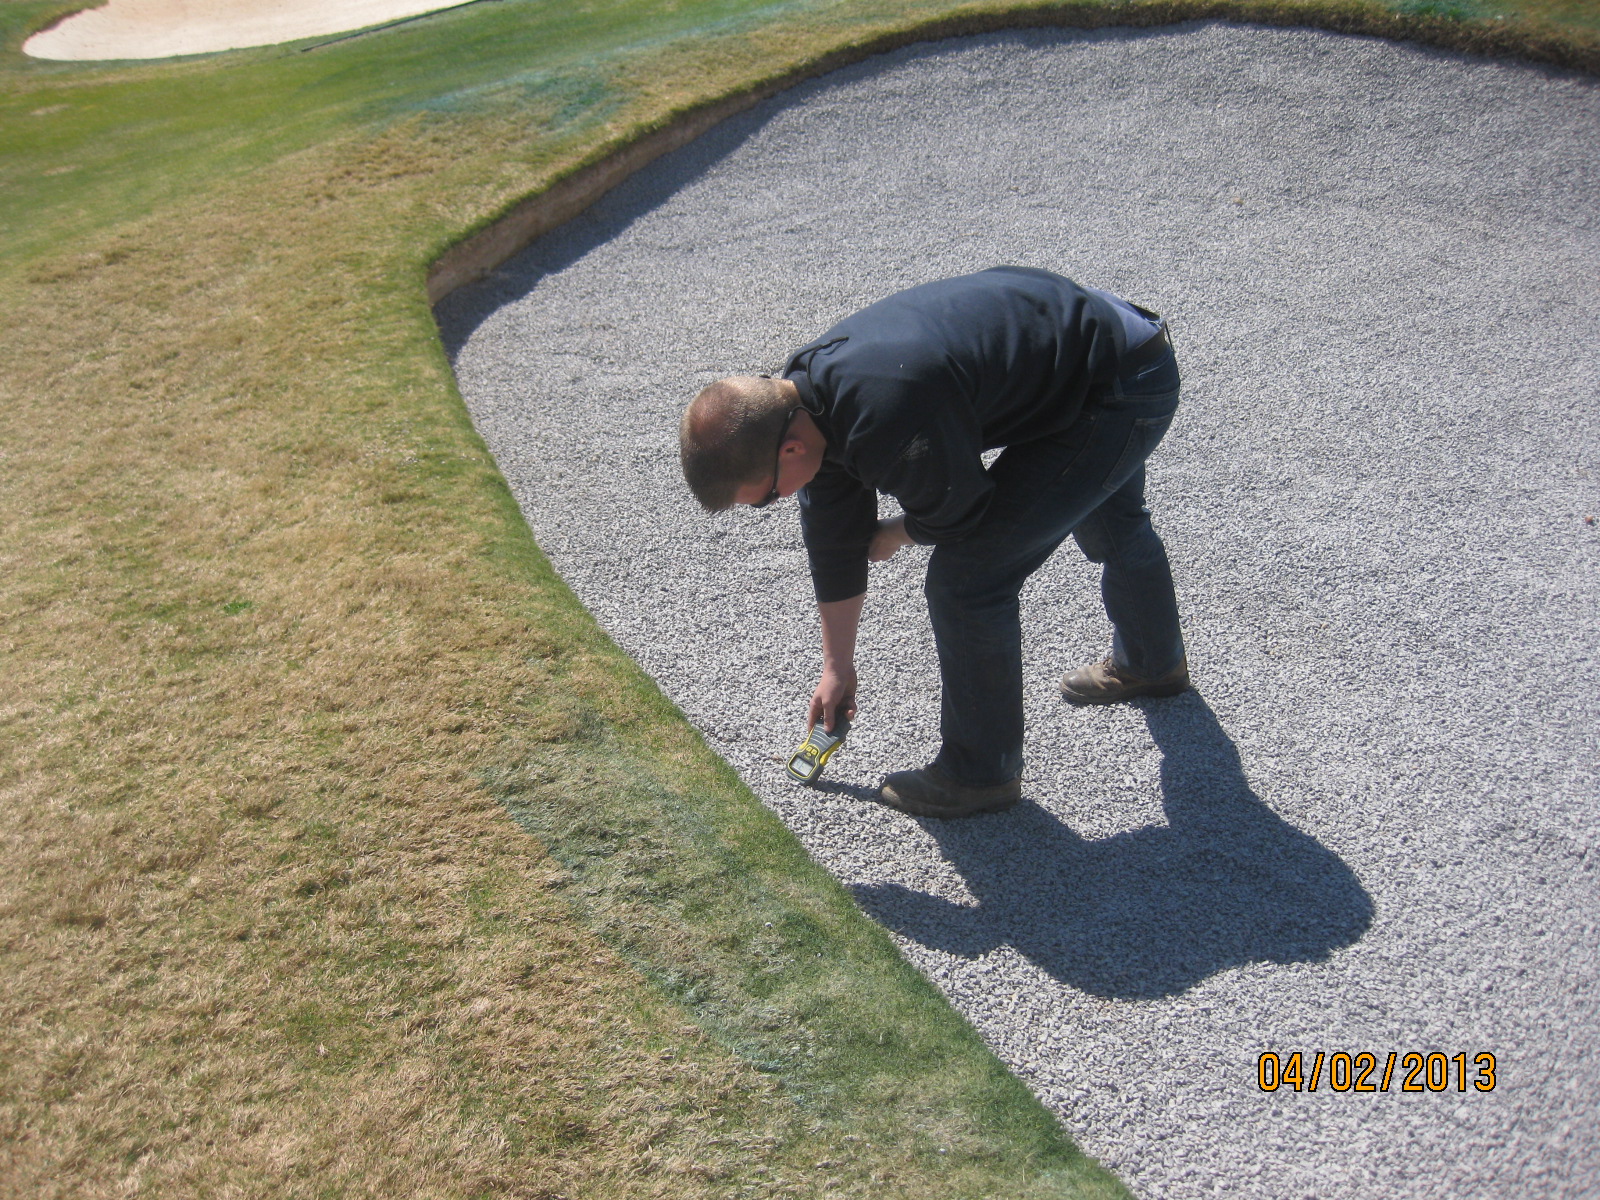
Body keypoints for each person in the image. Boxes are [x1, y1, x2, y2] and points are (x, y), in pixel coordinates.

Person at [679, 266, 1188, 818]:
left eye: (763, 497)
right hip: (1094, 352)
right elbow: (835, 542)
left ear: (790, 451)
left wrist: (898, 532)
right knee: (1108, 511)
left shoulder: (883, 412)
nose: (771, 504)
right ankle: (1153, 664)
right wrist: (837, 664)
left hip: (1120, 384)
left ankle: (981, 773)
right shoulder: (802, 402)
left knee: (967, 580)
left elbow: (960, 510)